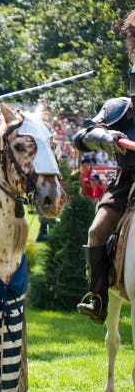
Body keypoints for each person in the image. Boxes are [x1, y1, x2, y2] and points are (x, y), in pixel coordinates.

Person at [73, 96, 135, 323]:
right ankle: (98, 298)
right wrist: (105, 137)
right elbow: (82, 136)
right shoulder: (120, 108)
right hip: (127, 183)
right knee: (97, 232)